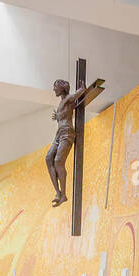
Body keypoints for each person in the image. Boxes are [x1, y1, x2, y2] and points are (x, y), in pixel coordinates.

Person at [46, 78, 87, 206]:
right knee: (48, 158)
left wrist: (82, 87)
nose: (54, 89)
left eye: (55, 86)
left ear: (62, 87)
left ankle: (63, 194)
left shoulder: (69, 98)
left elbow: (79, 93)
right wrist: (57, 116)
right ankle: (57, 192)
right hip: (59, 133)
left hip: (67, 132)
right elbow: (64, 113)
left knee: (58, 161)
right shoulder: (62, 102)